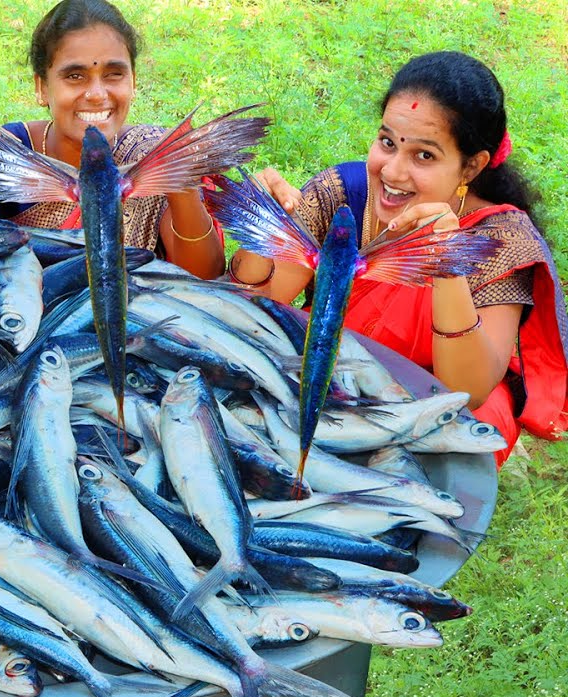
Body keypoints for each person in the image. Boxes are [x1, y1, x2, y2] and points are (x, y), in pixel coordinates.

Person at [229, 51, 568, 467]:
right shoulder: (345, 196)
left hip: (433, 403)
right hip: (332, 365)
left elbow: (467, 389)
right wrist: (263, 227)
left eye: (424, 155)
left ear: (471, 167)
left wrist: (447, 262)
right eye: (387, 143)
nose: (391, 172)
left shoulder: (497, 241)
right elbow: (253, 305)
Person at [0, 0, 225, 279]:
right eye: (75, 76)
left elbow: (203, 275)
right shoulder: (10, 155)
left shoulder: (150, 153)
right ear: (42, 87)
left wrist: (180, 180)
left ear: (133, 82)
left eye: (114, 74)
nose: (96, 94)